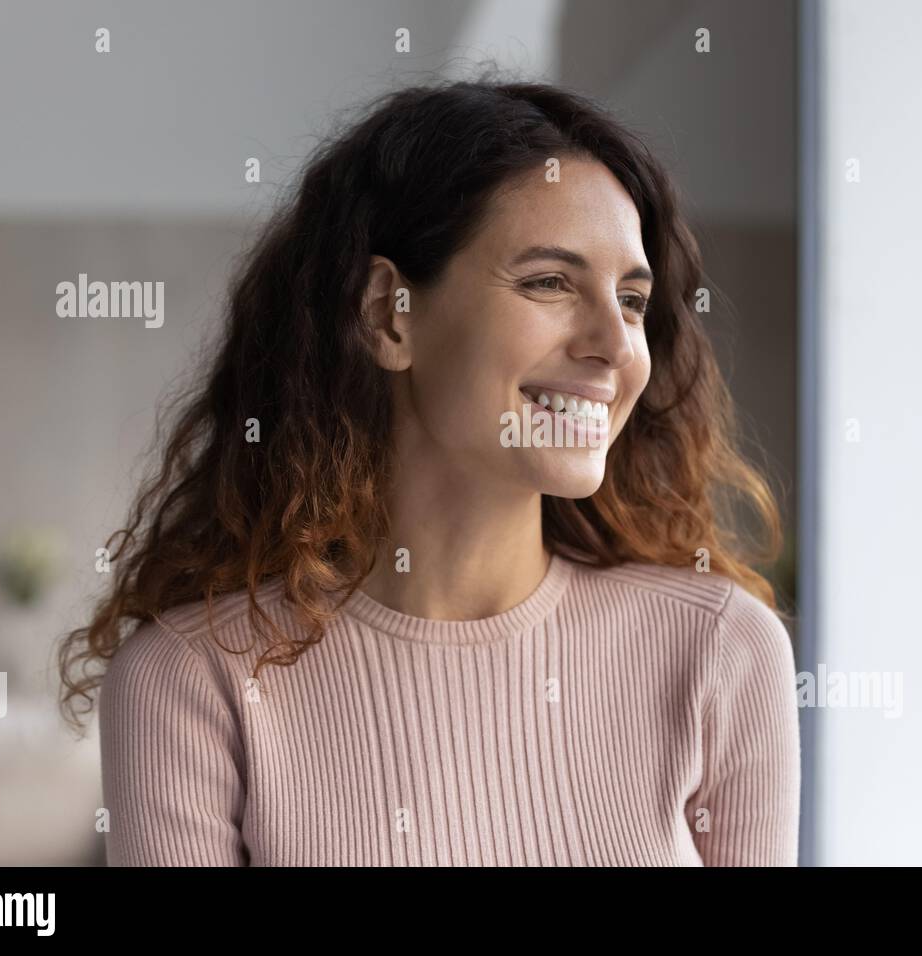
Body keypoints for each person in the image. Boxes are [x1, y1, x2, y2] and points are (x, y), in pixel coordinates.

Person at [58, 77, 800, 866]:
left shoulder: (718, 650)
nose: (616, 348)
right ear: (388, 314)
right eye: (550, 282)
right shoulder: (191, 680)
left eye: (630, 300)